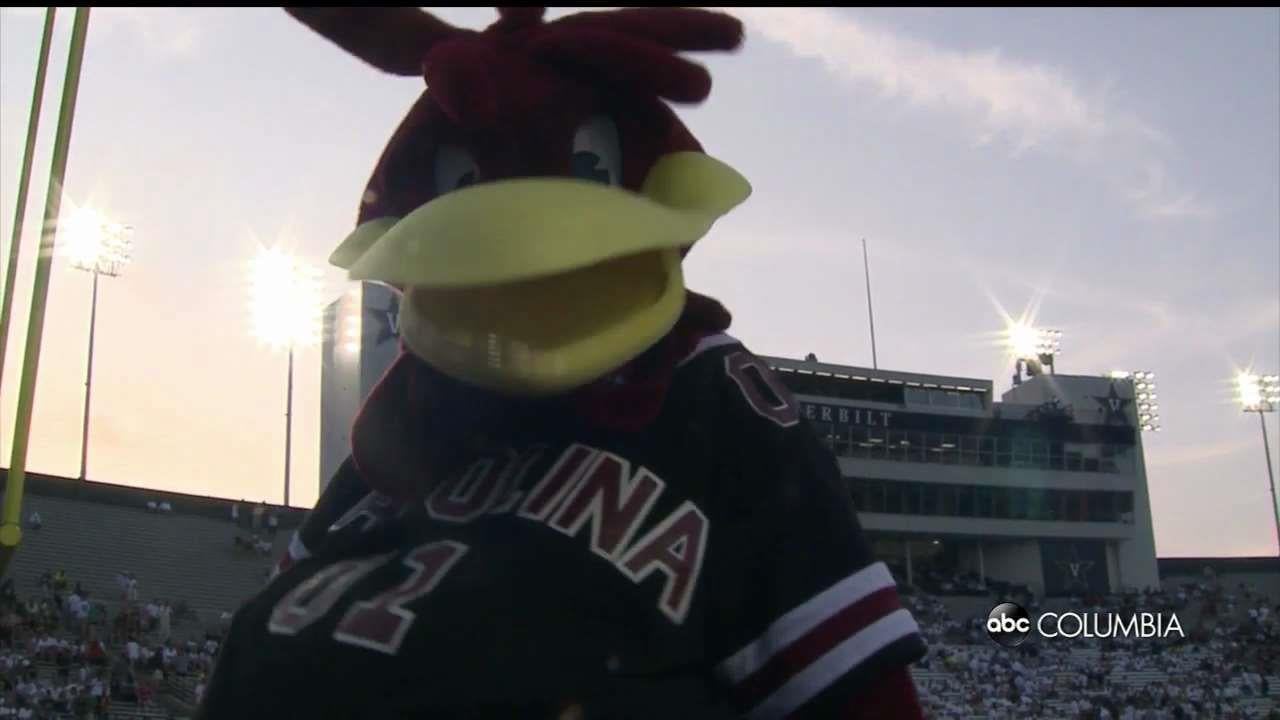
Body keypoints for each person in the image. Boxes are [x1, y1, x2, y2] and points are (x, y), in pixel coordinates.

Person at [198, 7, 927, 720]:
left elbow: (858, 692)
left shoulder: (704, 386)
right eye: (466, 186)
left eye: (589, 168)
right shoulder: (400, 422)